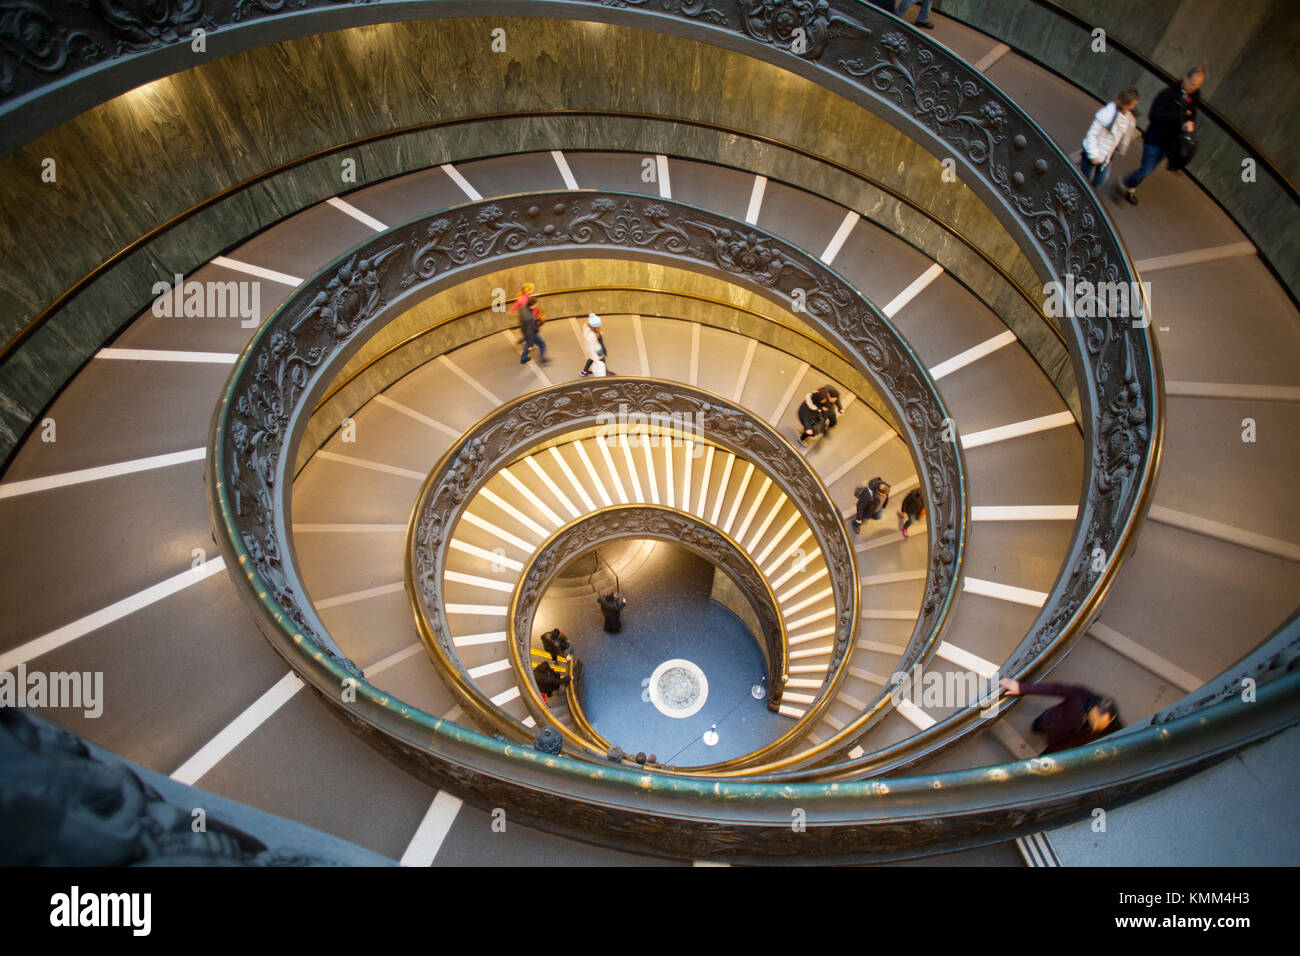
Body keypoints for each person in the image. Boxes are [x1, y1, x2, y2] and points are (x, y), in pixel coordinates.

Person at [1117, 67, 1205, 205]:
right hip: (1155, 138)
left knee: (1149, 169)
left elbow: (1192, 112)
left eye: (1197, 85)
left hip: (1169, 142)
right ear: (1186, 78)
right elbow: (1154, 115)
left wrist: (1189, 122)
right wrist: (1177, 117)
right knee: (1147, 169)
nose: (1193, 88)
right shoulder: (1168, 94)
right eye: (1192, 84)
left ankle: (1131, 189)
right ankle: (1126, 183)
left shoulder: (1194, 96)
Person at [998, 679, 1124, 754]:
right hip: (1049, 722)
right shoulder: (1080, 694)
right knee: (1036, 726)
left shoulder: (1116, 729)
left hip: (1062, 747)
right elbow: (1054, 689)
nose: (1094, 727)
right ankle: (1038, 727)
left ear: (1111, 719)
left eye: (1099, 724)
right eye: (1093, 720)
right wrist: (1021, 687)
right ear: (1091, 708)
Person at [1080, 87, 1139, 188]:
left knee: (1100, 180)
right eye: (1133, 105)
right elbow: (1092, 134)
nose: (1133, 108)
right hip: (1093, 152)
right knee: (1084, 180)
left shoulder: (1127, 118)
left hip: (1106, 155)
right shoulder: (1107, 114)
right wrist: (1094, 155)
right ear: (1126, 103)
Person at [513, 282, 549, 364]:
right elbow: (530, 332)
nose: (536, 306)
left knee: (527, 342)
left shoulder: (522, 308)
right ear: (532, 305)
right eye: (535, 305)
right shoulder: (530, 318)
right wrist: (531, 344)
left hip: (523, 329)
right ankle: (542, 359)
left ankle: (524, 358)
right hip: (531, 332)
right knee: (542, 345)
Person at [581, 313, 608, 377]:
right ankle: (604, 373)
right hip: (597, 349)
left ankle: (584, 371)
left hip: (590, 349)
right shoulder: (591, 336)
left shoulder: (586, 326)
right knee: (602, 360)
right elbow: (591, 348)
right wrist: (595, 358)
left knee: (590, 359)